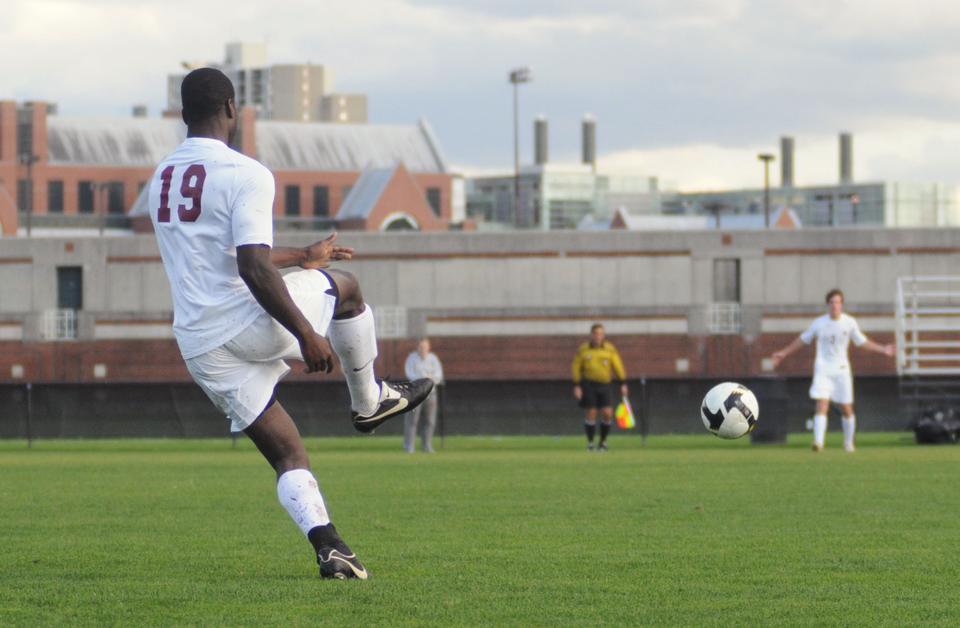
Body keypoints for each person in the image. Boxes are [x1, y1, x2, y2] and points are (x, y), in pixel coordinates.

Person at [148, 68, 433, 580]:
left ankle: (331, 549)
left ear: (184, 115)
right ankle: (369, 402)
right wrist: (307, 333)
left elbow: (227, 253)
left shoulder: (163, 178)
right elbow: (251, 266)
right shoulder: (247, 173)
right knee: (345, 287)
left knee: (288, 452)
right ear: (232, 109)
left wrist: (302, 255)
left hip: (200, 344)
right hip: (247, 319)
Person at [770, 288, 894, 452]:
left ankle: (849, 442)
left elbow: (862, 341)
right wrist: (783, 353)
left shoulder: (849, 322)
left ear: (842, 304)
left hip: (842, 370)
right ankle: (818, 442)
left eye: (838, 302)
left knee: (846, 408)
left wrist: (883, 349)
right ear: (827, 305)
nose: (835, 305)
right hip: (823, 370)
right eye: (832, 302)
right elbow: (803, 339)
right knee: (822, 404)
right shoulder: (819, 323)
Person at [571, 323, 628, 451]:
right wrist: (576, 385)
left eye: (601, 334)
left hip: (605, 384)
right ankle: (590, 442)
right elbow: (576, 367)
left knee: (607, 413)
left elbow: (617, 365)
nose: (598, 336)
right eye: (596, 333)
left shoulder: (609, 349)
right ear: (591, 335)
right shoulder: (583, 349)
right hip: (589, 384)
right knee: (591, 412)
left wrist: (623, 382)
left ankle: (603, 442)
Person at [403, 338, 444, 453]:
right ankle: (409, 446)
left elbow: (438, 375)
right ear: (417, 348)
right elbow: (410, 373)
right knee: (412, 421)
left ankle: (426, 445)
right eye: (421, 347)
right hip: (416, 394)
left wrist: (428, 380)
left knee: (430, 421)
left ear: (428, 347)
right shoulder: (412, 358)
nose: (423, 349)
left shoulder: (433, 359)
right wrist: (423, 379)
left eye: (425, 347)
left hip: (431, 393)